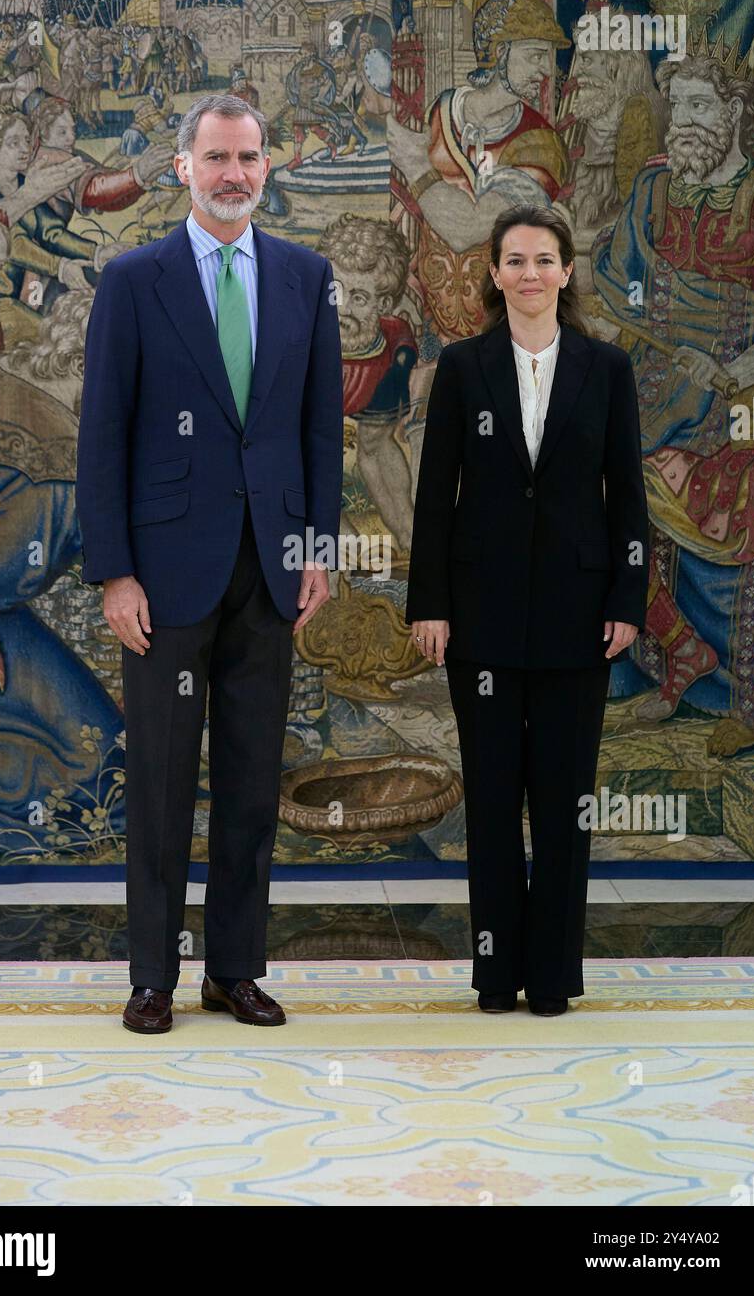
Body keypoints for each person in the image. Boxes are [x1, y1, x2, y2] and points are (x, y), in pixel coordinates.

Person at [75, 93, 343, 1034]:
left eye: (251, 158)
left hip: (269, 569)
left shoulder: (307, 278)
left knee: (249, 778)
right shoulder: (133, 280)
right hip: (163, 577)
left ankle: (234, 969)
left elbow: (318, 429)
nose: (235, 174)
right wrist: (114, 571)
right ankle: (152, 975)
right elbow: (101, 435)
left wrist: (316, 547)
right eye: (218, 157)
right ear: (184, 167)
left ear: (268, 168)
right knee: (157, 781)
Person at [405, 204, 649, 1017]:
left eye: (544, 259)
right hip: (481, 617)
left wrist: (627, 600)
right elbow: (435, 498)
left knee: (563, 804)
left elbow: (628, 500)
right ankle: (495, 973)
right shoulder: (462, 367)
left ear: (566, 271)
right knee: (494, 801)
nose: (530, 274)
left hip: (582, 619)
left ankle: (552, 977)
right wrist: (429, 605)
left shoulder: (607, 369)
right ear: (495, 274)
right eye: (515, 260)